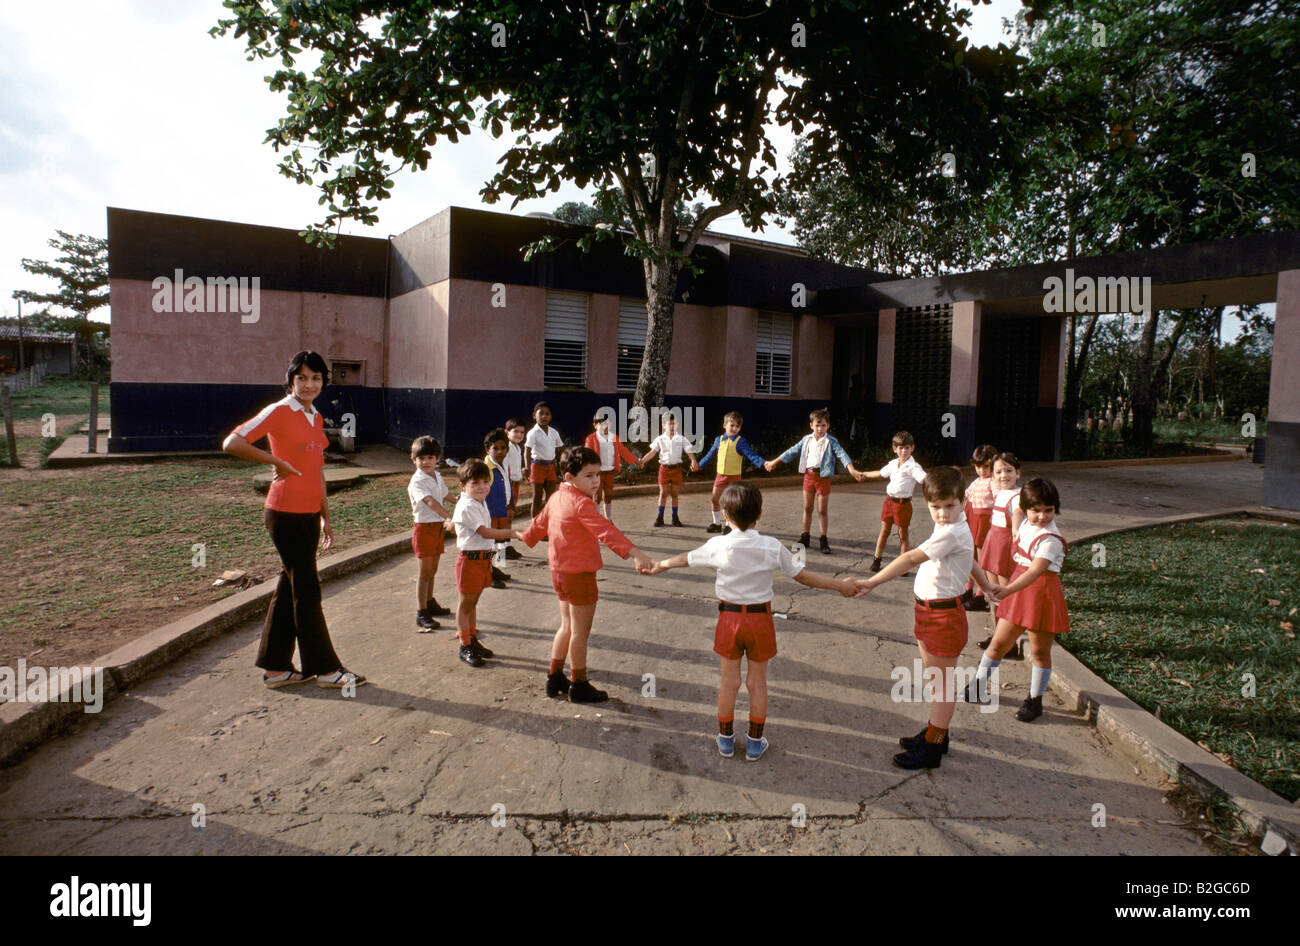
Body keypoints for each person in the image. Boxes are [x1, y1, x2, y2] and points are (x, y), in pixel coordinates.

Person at [649, 482, 858, 761]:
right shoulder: (771, 546)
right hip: (760, 619)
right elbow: (803, 576)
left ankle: (725, 739)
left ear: (724, 515)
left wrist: (658, 565)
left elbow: (684, 559)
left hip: (729, 619)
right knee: (757, 683)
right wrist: (838, 585)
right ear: (759, 514)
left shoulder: (718, 545)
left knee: (729, 681)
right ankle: (755, 743)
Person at [222, 350, 365, 690]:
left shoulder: (314, 416)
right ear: (290, 380)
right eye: (301, 378)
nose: (309, 384)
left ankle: (275, 668)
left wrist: (325, 517)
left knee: (289, 589)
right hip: (284, 513)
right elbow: (232, 442)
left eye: (316, 378)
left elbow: (317, 472)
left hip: (308, 513)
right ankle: (327, 670)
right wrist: (276, 461)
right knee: (307, 588)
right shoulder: (280, 410)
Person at [854, 466, 1000, 769]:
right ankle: (938, 733)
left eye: (950, 506)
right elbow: (971, 558)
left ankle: (933, 746)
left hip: (943, 618)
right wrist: (986, 586)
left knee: (943, 685)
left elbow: (909, 558)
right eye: (936, 507)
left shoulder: (952, 532)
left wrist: (872, 582)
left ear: (963, 502)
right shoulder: (955, 526)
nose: (943, 513)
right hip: (930, 613)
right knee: (937, 682)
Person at [516, 446, 655, 701]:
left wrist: (522, 536)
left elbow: (538, 525)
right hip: (579, 575)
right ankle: (579, 684)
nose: (595, 481)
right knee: (580, 632)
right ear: (570, 477)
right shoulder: (582, 503)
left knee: (566, 626)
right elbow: (607, 531)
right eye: (589, 475)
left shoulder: (557, 496)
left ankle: (554, 677)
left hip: (559, 573)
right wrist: (637, 554)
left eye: (597, 474)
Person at [968, 478, 1070, 723]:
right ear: (1026, 509)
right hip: (1020, 589)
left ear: (1056, 509)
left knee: (1039, 650)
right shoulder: (1025, 523)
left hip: (1041, 593)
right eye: (1036, 510)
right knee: (999, 642)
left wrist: (1008, 590)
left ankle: (1034, 700)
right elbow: (1015, 515)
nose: (1042, 516)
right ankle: (978, 684)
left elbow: (1035, 572)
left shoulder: (1051, 540)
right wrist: (1015, 526)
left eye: (1049, 510)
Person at [764, 407, 867, 553]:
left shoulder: (831, 441)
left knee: (822, 510)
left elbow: (842, 455)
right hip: (809, 476)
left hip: (822, 478)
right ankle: (805, 536)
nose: (820, 428)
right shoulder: (806, 440)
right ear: (811, 425)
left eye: (823, 425)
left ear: (828, 426)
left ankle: (823, 539)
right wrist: (774, 462)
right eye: (817, 425)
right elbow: (792, 451)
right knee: (807, 508)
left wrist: (852, 470)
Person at [451, 459, 516, 668]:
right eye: (475, 483)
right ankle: (464, 644)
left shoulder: (480, 502)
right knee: (465, 605)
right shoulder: (467, 505)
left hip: (482, 560)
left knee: (473, 604)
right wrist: (512, 533)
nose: (482, 487)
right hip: (469, 561)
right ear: (463, 486)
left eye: (485, 482)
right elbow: (484, 532)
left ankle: (472, 639)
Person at [976, 451, 1025, 655]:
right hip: (993, 542)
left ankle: (1009, 642)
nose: (1003, 475)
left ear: (1018, 473)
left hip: (1005, 545)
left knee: (1006, 595)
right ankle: (998, 635)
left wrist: (1015, 529)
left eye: (1008, 471)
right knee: (993, 593)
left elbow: (1018, 512)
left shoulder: (1018, 495)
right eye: (998, 472)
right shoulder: (999, 491)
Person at [861, 431, 926, 572]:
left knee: (903, 535)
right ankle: (877, 560)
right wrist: (865, 474)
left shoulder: (914, 467)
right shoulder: (892, 464)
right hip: (889, 501)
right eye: (900, 448)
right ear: (894, 449)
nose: (903, 451)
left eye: (907, 448)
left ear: (912, 448)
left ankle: (903, 566)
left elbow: (925, 480)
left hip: (903, 505)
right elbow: (880, 473)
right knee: (884, 531)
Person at [693, 411, 767, 534]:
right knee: (714, 499)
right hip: (720, 475)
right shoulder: (719, 440)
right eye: (731, 425)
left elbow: (751, 455)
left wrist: (763, 463)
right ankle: (717, 523)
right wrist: (699, 466)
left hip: (735, 477)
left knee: (731, 502)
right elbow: (710, 454)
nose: (734, 428)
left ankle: (728, 525)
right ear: (724, 425)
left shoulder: (740, 441)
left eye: (737, 426)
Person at [407, 435, 452, 631]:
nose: (425, 462)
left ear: (437, 459)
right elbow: (431, 502)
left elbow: (444, 495)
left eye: (430, 458)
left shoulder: (437, 476)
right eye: (421, 458)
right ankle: (421, 612)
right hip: (424, 529)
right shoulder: (417, 482)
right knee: (424, 573)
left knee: (433, 570)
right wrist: (448, 518)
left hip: (437, 528)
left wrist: (463, 502)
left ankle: (430, 601)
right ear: (413, 459)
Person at [640, 411, 698, 527]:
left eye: (674, 424)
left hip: (676, 469)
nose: (672, 426)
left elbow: (688, 450)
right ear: (663, 425)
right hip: (664, 470)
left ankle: (675, 517)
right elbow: (652, 452)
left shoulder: (681, 438)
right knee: (663, 493)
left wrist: (693, 461)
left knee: (675, 494)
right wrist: (642, 461)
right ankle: (660, 517)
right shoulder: (660, 439)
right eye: (669, 424)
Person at [961, 443, 999, 611]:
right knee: (971, 555)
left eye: (986, 467)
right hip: (972, 519)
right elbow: (965, 497)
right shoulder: (976, 482)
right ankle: (968, 588)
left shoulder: (993, 482)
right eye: (978, 467)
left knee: (982, 559)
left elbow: (999, 500)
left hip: (984, 522)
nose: (982, 470)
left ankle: (981, 594)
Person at [583, 412, 641, 521]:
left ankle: (608, 520)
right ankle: (597, 521)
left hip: (610, 471)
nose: (605, 426)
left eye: (608, 424)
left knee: (608, 496)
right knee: (597, 497)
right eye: (602, 424)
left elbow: (624, 451)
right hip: (597, 474)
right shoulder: (591, 439)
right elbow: (587, 455)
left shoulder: (614, 437)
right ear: (595, 425)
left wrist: (635, 461)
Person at [483, 427, 514, 589]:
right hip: (491, 514)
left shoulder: (502, 464)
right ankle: (488, 572)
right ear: (488, 449)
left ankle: (497, 567)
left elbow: (506, 485)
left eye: (503, 448)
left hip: (502, 511)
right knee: (490, 545)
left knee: (500, 542)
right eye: (496, 448)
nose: (500, 452)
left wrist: (510, 503)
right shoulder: (486, 468)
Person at [524, 401, 564, 520]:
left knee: (551, 497)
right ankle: (534, 526)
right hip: (537, 467)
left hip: (550, 467)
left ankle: (548, 524)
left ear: (550, 417)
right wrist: (527, 467)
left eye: (547, 414)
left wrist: (570, 462)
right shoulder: (533, 433)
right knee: (537, 496)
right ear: (534, 415)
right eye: (541, 413)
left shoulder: (554, 432)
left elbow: (562, 449)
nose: (544, 416)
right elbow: (526, 450)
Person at [501, 418, 527, 559]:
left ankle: (507, 545)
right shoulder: (507, 447)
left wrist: (520, 472)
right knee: (504, 518)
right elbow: (504, 467)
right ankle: (501, 551)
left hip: (515, 485)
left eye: (522, 432)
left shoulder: (517, 447)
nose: (519, 434)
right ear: (507, 432)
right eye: (515, 431)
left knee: (510, 517)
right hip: (507, 485)